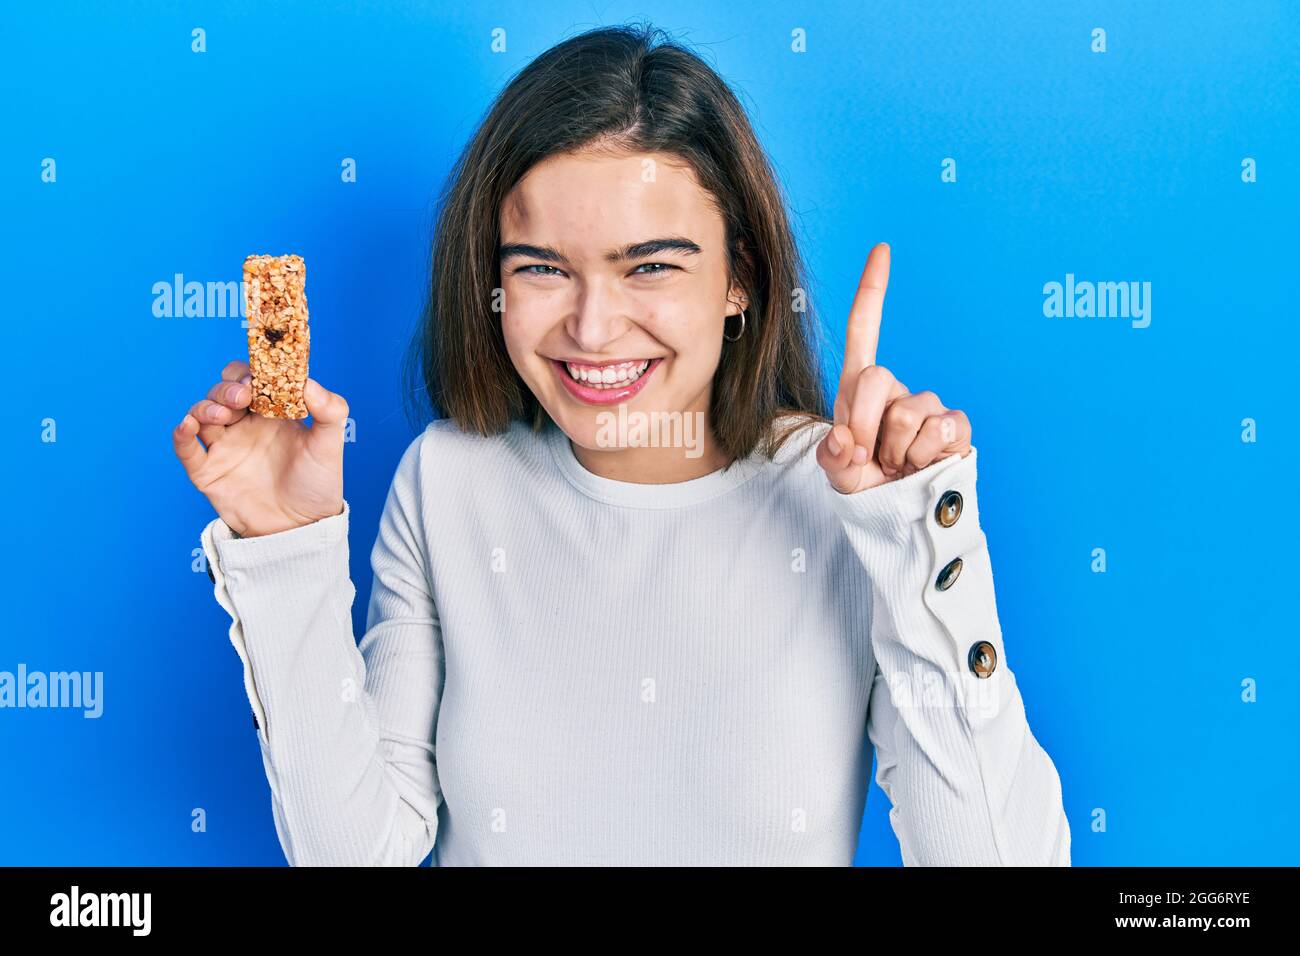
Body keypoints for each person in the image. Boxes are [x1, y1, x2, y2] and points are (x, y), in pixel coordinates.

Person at [172, 22, 1070, 866]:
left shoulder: (848, 508)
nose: (593, 328)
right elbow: (355, 853)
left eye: (650, 266)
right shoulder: (447, 483)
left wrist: (921, 537)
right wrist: (282, 547)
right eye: (541, 269)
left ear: (740, 280)